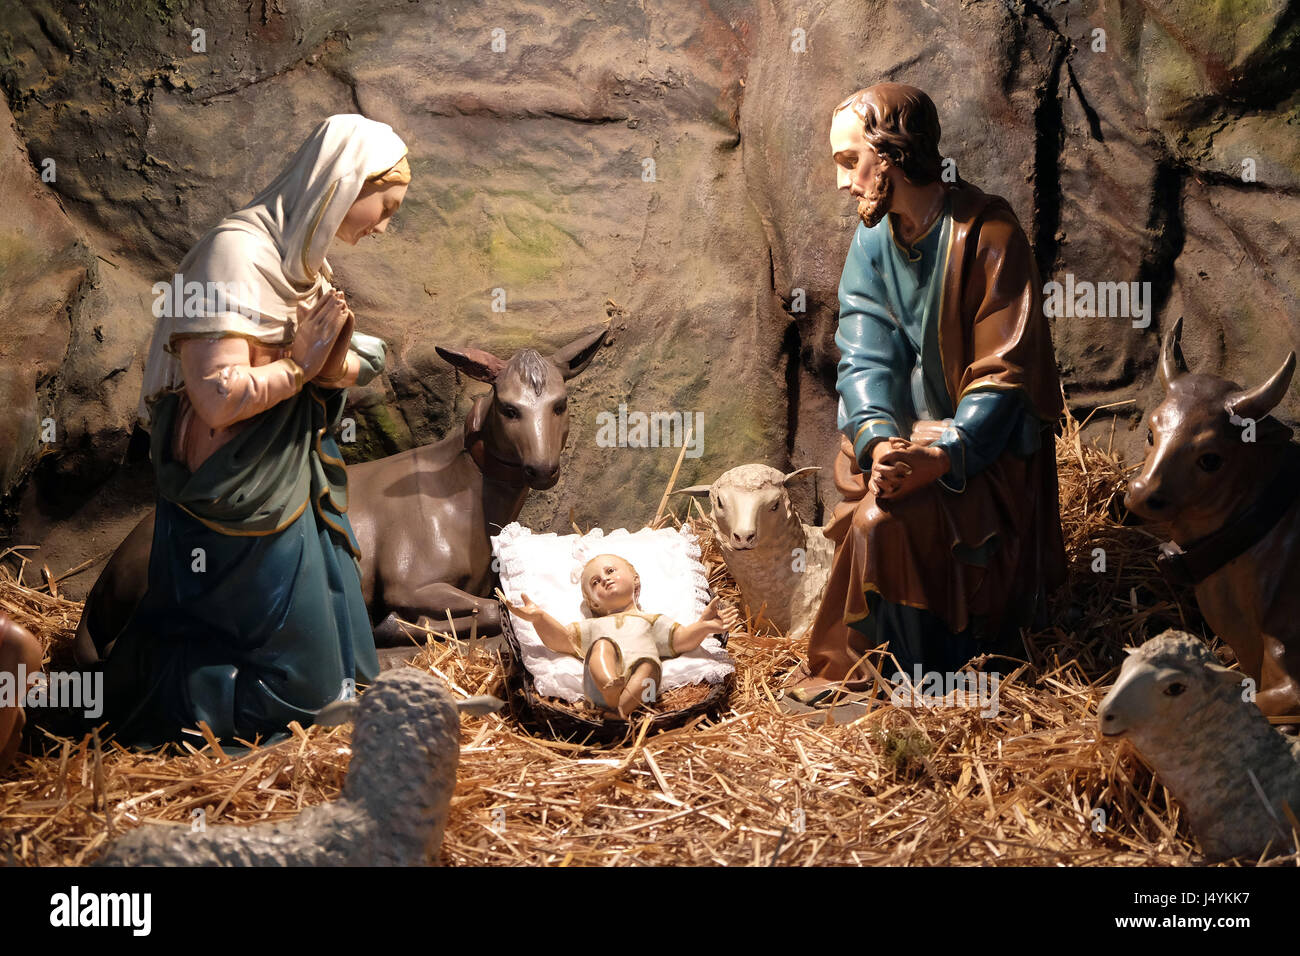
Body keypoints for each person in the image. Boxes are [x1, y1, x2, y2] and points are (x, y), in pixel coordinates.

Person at [85, 115, 410, 746]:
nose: (383, 225)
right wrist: (303, 366)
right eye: (386, 206)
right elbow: (216, 399)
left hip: (287, 488)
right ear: (346, 183)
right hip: (239, 502)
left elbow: (313, 361)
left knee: (343, 668)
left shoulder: (300, 262)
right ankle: (147, 690)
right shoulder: (232, 254)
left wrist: (342, 361)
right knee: (300, 693)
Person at [788, 84, 1066, 705]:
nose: (842, 183)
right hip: (910, 446)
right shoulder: (873, 241)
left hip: (985, 460)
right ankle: (899, 676)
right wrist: (879, 439)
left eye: (847, 161)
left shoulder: (989, 237)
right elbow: (864, 353)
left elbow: (1004, 372)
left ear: (888, 157)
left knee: (880, 522)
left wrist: (943, 456)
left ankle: (927, 678)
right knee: (874, 499)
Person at [505, 554, 727, 718]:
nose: (604, 579)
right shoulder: (594, 625)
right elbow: (561, 640)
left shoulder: (652, 621)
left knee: (649, 665)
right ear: (593, 602)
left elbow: (681, 640)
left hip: (640, 687)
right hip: (597, 689)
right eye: (595, 582)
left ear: (635, 579)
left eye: (610, 571)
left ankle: (619, 710)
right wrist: (539, 618)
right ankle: (608, 685)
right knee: (602, 645)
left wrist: (703, 626)